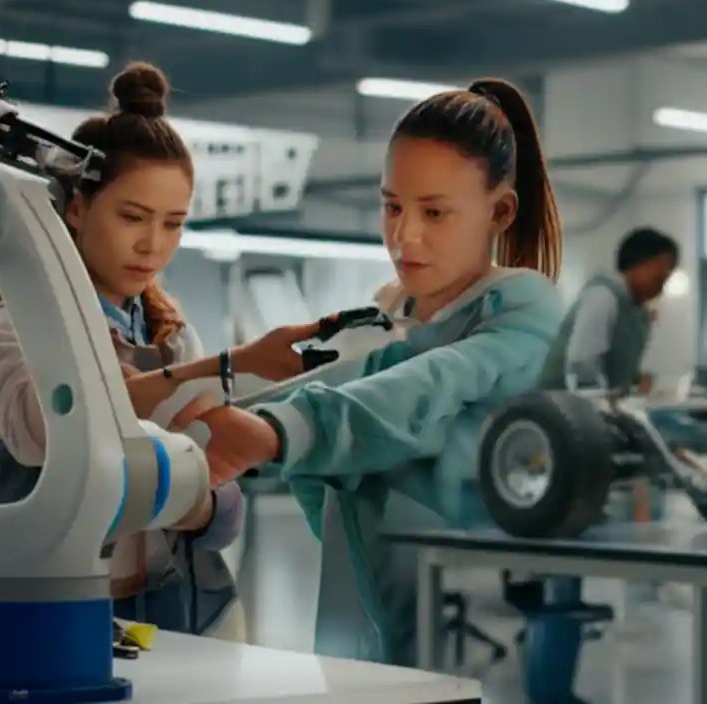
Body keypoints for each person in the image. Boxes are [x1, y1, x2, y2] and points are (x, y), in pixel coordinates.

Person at [169, 77, 564, 666]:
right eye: (392, 206)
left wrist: (281, 431)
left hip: (473, 637)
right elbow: (322, 460)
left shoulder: (524, 309)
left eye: (435, 212)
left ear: (499, 211)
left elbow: (423, 385)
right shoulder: (382, 315)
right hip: (355, 628)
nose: (405, 235)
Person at [0, 62, 321, 639]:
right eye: (132, 217)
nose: (153, 245)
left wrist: (205, 501)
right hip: (43, 615)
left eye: (173, 224)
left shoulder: (169, 337)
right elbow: (53, 432)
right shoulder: (8, 332)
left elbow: (222, 502)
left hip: (169, 606)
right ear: (77, 208)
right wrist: (227, 371)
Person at [539, 226, 678, 392]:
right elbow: (582, 366)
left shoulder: (636, 310)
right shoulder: (602, 297)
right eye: (658, 279)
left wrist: (635, 379)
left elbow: (614, 366)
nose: (660, 289)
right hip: (556, 407)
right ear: (636, 264)